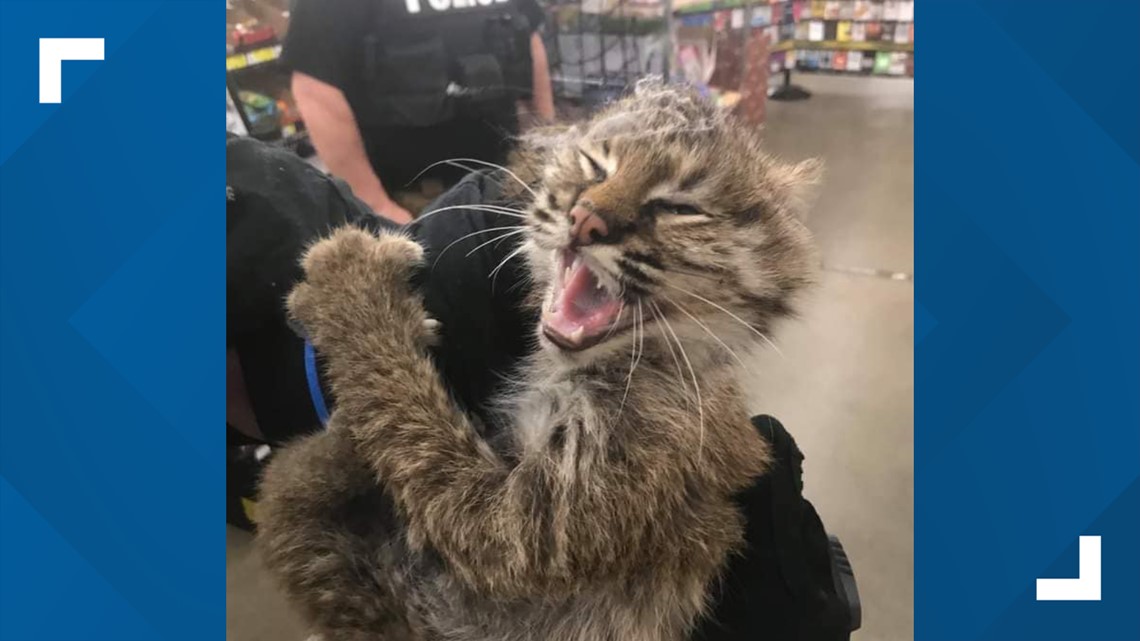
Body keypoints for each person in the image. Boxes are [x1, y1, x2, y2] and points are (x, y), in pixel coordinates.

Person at [226, 136, 860, 640]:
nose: (592, 215)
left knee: (294, 504)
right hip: (464, 581)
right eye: (593, 168)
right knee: (295, 496)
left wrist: (367, 336)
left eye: (679, 208)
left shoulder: (674, 410)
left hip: (460, 612)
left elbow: (500, 547)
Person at [281, 0, 555, 224]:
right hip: (414, 201)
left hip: (508, 178)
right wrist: (375, 204)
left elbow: (528, 40)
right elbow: (315, 88)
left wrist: (547, 147)